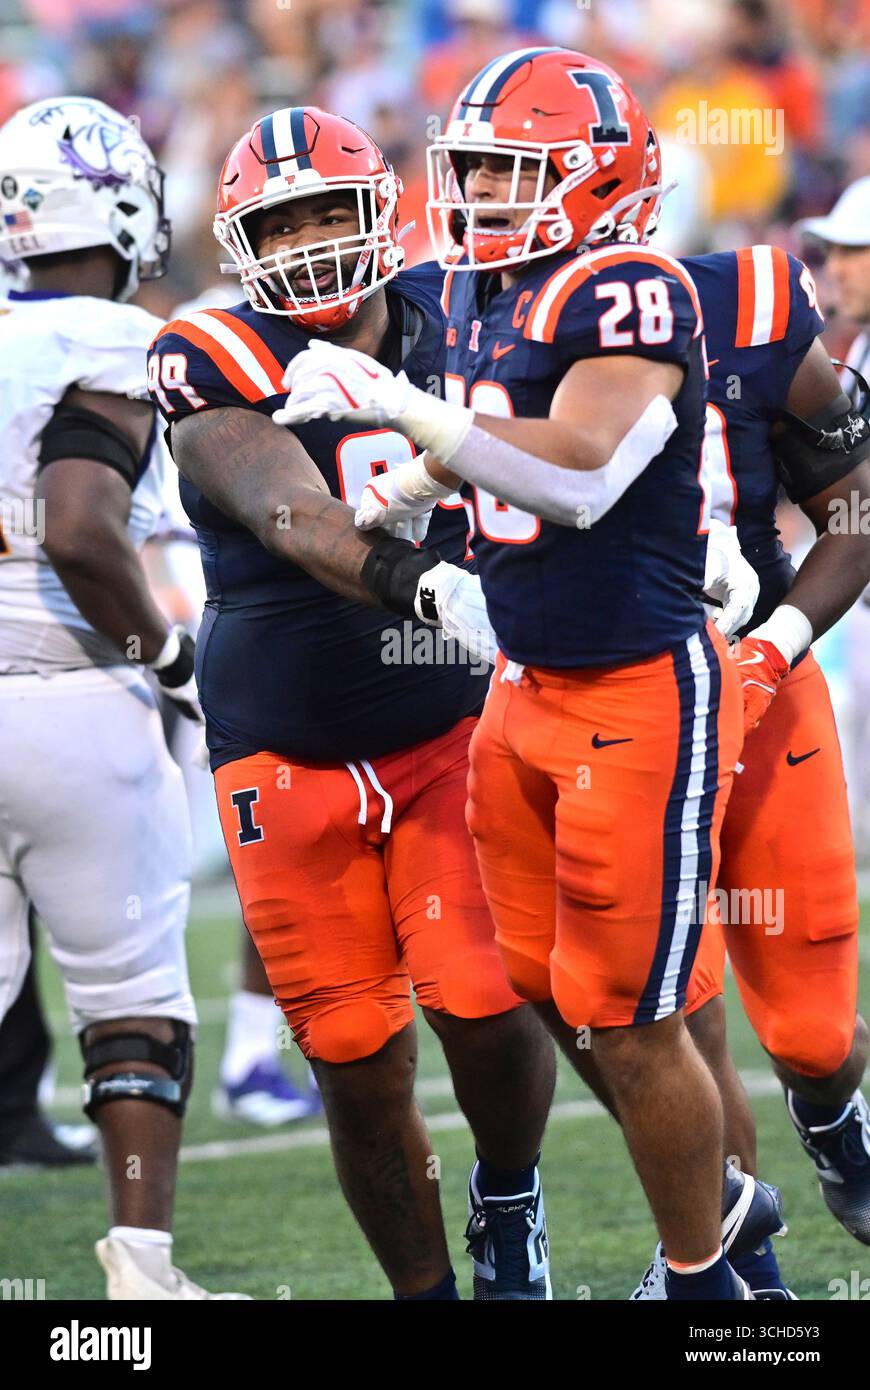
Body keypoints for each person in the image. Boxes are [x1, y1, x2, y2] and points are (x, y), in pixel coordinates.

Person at [279, 49, 760, 1301]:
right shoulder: (499, 286)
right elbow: (502, 432)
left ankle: (707, 1276)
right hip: (524, 689)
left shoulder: (630, 283)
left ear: (598, 177)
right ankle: (729, 1193)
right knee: (545, 981)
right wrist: (419, 483)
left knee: (634, 1012)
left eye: (511, 170)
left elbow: (581, 471)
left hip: (636, 685)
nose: (484, 194)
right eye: (474, 168)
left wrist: (403, 409)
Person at [147, 107, 556, 1301]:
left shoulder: (465, 306)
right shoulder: (211, 350)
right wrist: (431, 584)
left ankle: (512, 1198)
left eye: (333, 208)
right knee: (354, 1059)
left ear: (384, 209)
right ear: (243, 241)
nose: (316, 239)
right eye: (286, 221)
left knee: (483, 1003)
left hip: (445, 734)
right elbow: (289, 511)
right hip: (285, 746)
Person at [0, 95, 246, 1300]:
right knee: (132, 993)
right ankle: (142, 1269)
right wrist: (171, 656)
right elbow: (85, 533)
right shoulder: (113, 337)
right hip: (65, 688)